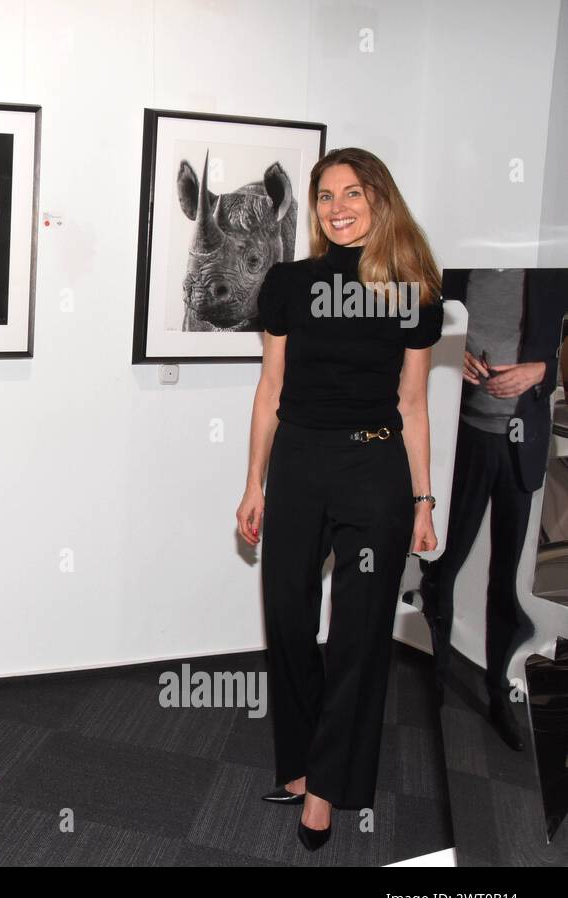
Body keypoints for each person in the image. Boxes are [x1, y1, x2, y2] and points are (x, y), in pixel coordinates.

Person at [236, 147, 443, 851]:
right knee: (289, 620)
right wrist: (252, 481)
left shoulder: (413, 292)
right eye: (325, 195)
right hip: (297, 461)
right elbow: (270, 389)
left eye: (352, 192)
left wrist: (422, 500)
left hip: (374, 465)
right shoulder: (288, 283)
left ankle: (326, 788)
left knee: (357, 633)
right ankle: (297, 764)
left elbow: (414, 403)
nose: (337, 206)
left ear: (380, 200)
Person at [419, 268, 568, 750]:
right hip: (461, 437)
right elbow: (422, 324)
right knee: (441, 565)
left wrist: (544, 369)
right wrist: (450, 354)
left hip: (520, 444)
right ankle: (433, 684)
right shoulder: (462, 260)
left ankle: (498, 692)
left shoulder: (556, 264)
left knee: (504, 579)